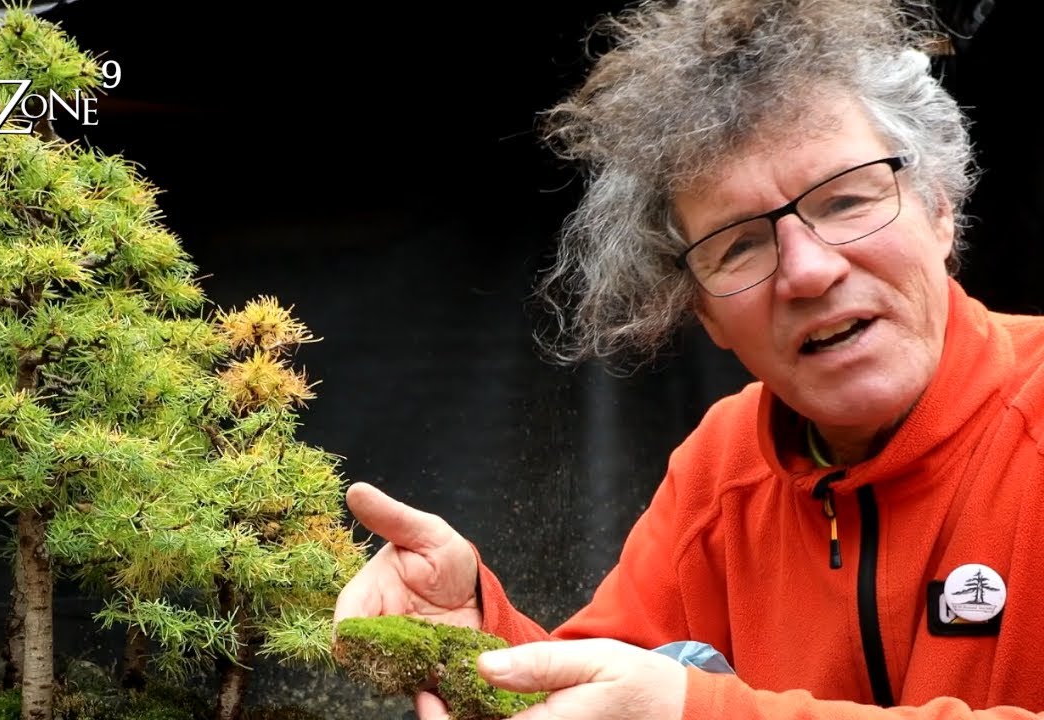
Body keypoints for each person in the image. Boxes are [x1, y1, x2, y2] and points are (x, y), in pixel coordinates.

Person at [333, 0, 1044, 718]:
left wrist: (703, 711)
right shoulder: (722, 472)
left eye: (845, 201)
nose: (807, 271)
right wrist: (478, 645)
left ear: (940, 207)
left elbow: (676, 705)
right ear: (700, 310)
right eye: (739, 244)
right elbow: (613, 695)